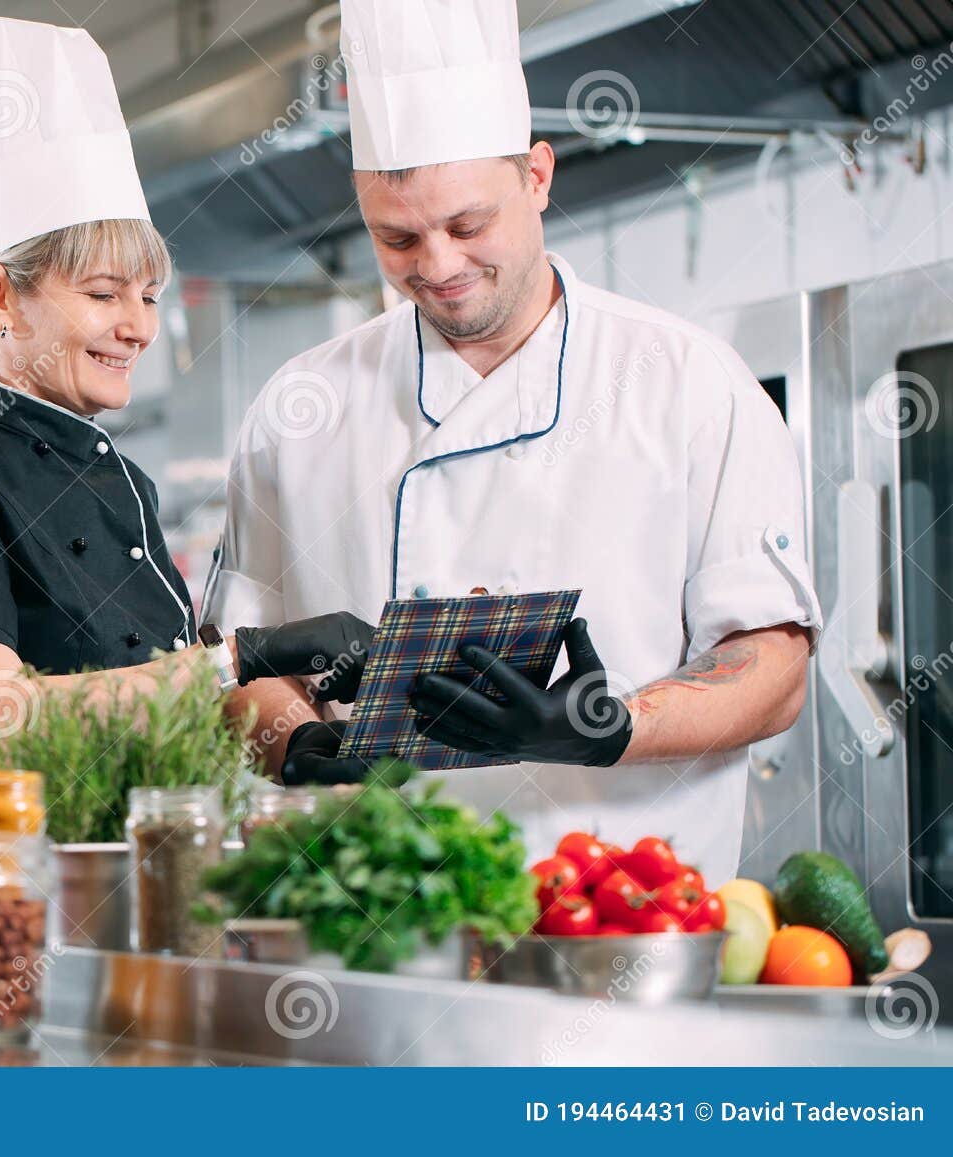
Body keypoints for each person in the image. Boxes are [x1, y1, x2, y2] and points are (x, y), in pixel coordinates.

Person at [205, 0, 821, 884]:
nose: (439, 265)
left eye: (468, 225)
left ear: (537, 176)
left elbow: (773, 666)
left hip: (615, 928)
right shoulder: (298, 410)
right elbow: (234, 667)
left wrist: (609, 723)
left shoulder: (690, 383)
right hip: (374, 930)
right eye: (398, 237)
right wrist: (296, 741)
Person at [0, 17, 365, 826]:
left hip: (116, 890)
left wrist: (301, 746)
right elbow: (3, 729)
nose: (139, 327)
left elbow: (170, 692)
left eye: (147, 296)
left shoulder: (126, 482)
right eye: (103, 294)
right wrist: (237, 659)